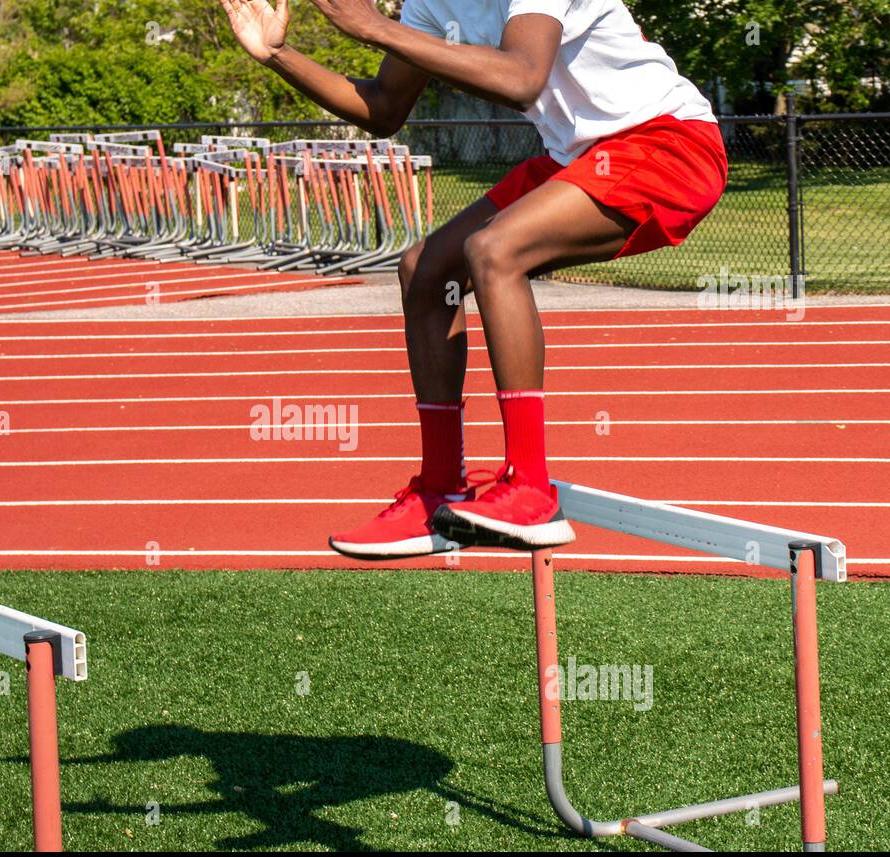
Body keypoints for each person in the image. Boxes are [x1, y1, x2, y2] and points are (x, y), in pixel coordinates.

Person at [219, 0, 728, 558]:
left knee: (493, 250)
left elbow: (521, 79)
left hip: (668, 145)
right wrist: (278, 55)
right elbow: (384, 110)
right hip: (577, 158)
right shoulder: (429, 5)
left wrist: (371, 26)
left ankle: (531, 489)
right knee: (423, 270)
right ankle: (439, 490)